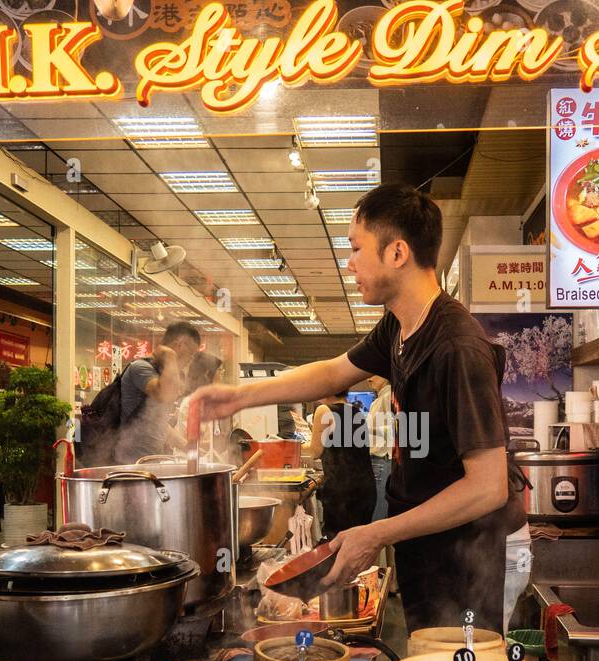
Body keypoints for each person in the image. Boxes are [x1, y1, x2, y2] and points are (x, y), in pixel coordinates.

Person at [192, 183, 516, 632]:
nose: (350, 264)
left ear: (397, 253)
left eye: (356, 248)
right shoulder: (399, 327)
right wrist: (239, 395)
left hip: (464, 559)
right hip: (424, 545)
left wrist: (377, 533)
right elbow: (332, 372)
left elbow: (488, 487)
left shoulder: (457, 347)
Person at [305, 390, 377, 537]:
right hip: (365, 488)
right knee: (359, 544)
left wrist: (288, 446)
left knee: (339, 544)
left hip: (343, 491)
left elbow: (315, 451)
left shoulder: (324, 410)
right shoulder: (355, 410)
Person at [114, 345, 184, 464]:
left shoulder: (159, 376)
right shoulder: (140, 367)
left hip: (150, 459)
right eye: (190, 353)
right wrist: (171, 358)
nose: (190, 359)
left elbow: (158, 422)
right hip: (131, 460)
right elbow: (162, 393)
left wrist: (185, 445)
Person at [366, 376, 394, 521]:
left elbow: (396, 428)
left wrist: (368, 429)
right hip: (376, 458)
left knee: (377, 509)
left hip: (381, 458)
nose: (369, 379)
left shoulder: (389, 396)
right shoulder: (378, 400)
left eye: (374, 374)